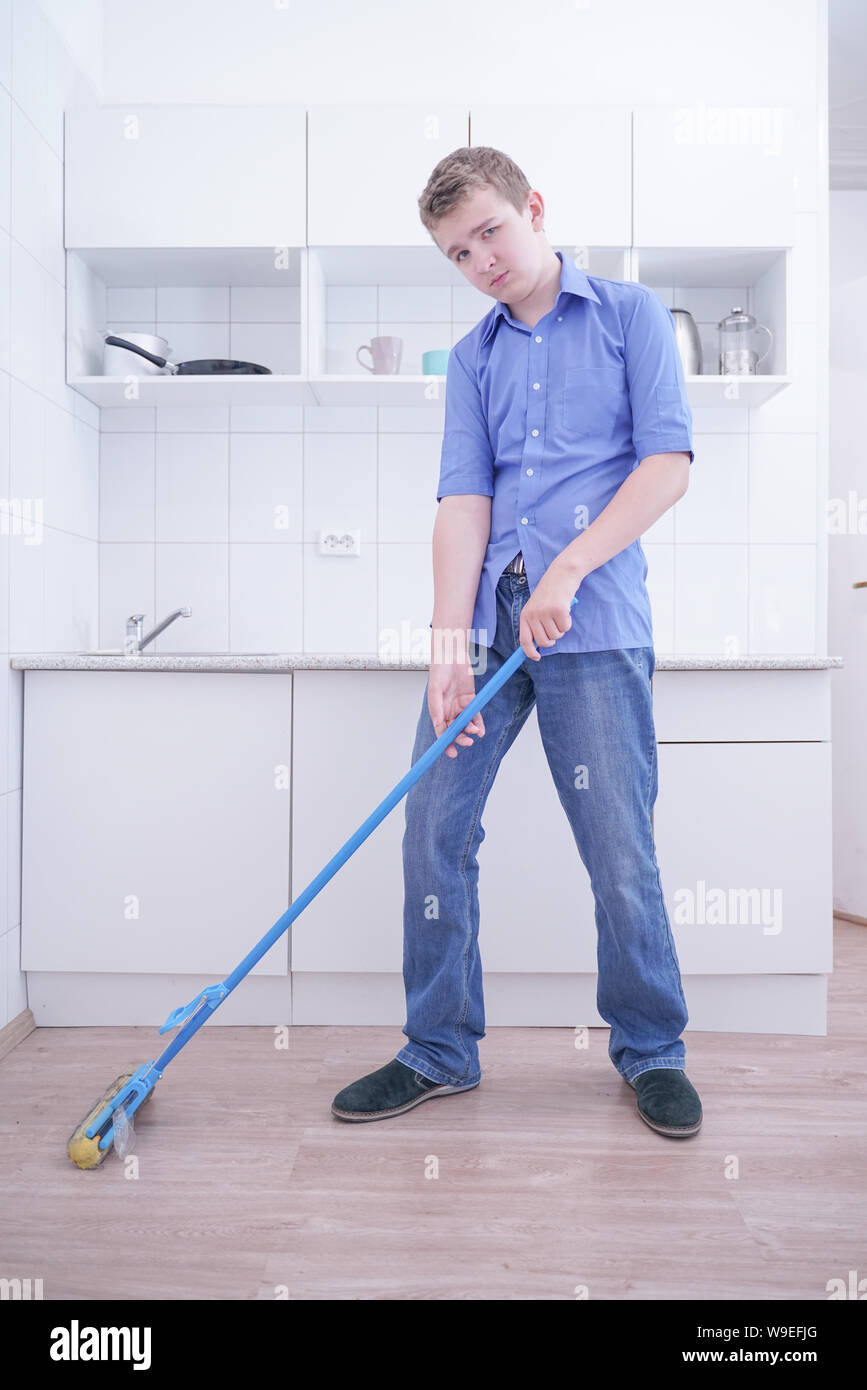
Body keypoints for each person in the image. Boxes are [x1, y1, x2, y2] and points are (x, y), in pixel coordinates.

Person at [332, 146, 701, 1138]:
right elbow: (463, 502)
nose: (481, 259)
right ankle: (439, 1049)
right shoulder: (474, 360)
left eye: (490, 231)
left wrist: (572, 568)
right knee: (433, 832)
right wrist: (447, 643)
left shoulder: (629, 317)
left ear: (533, 207)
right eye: (458, 252)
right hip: (490, 630)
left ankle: (651, 1050)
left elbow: (667, 465)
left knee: (619, 850)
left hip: (594, 627)